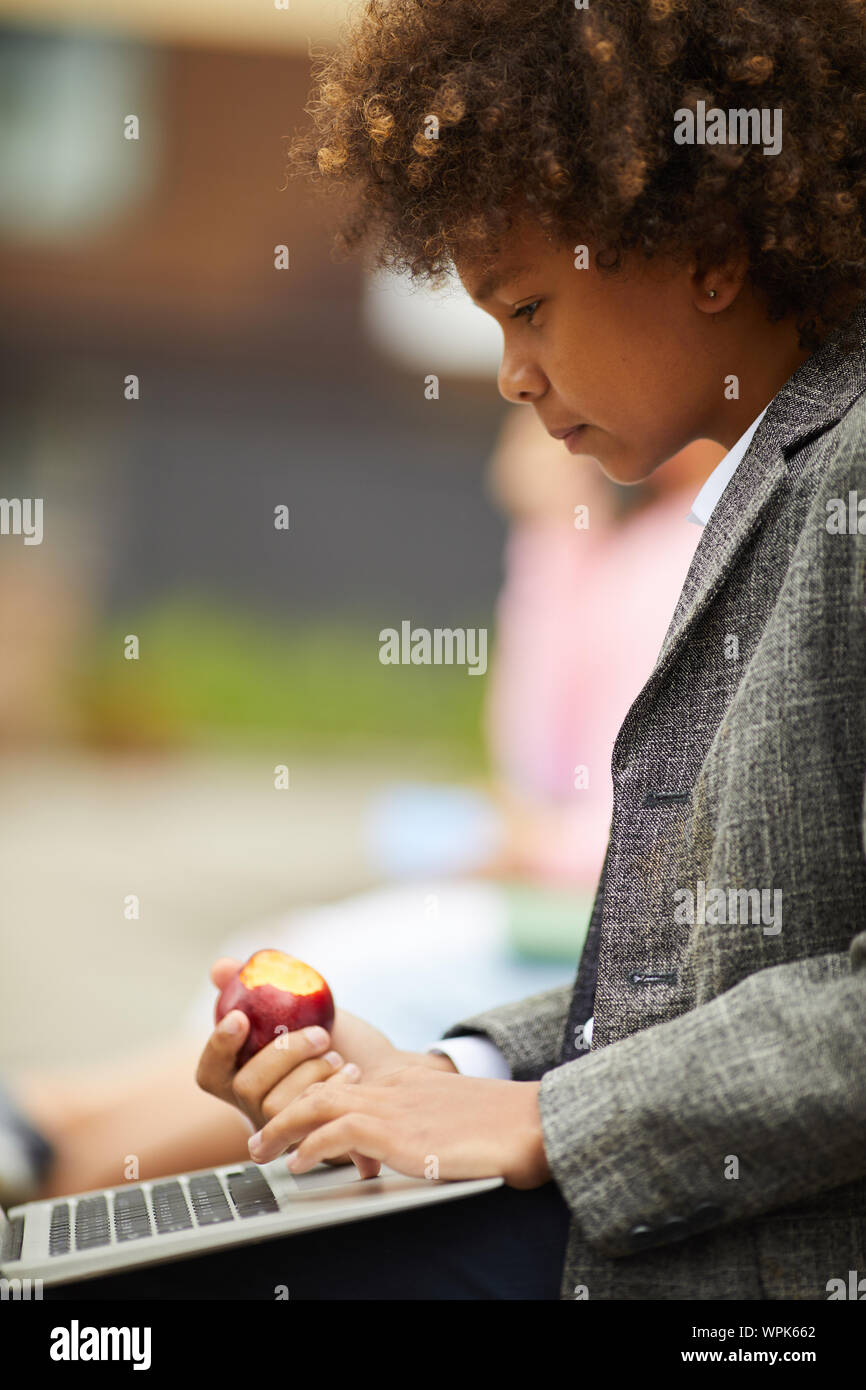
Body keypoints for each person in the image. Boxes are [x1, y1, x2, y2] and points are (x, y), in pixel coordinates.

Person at [46, 0, 866, 1300]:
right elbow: (693, 990)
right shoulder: (768, 474)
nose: (510, 374)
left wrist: (545, 1122)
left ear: (706, 247)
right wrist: (446, 1076)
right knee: (104, 1264)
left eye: (528, 306)